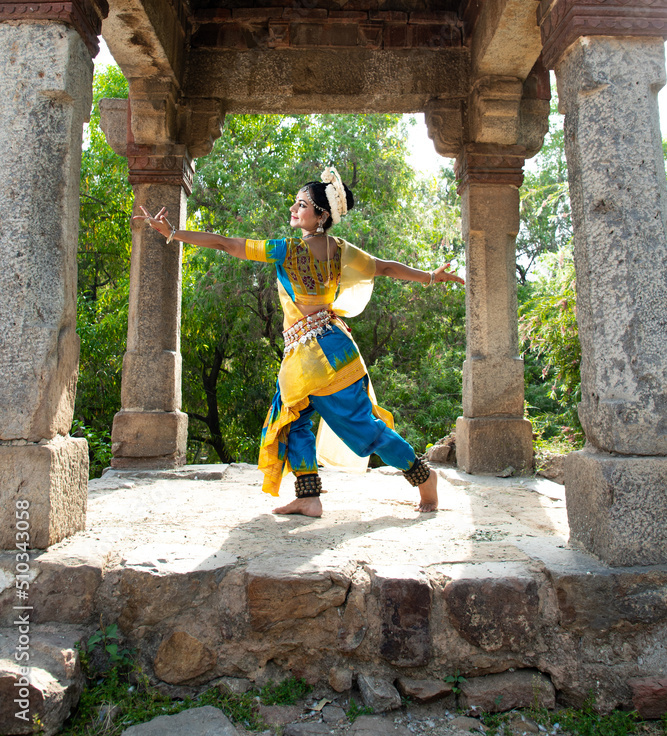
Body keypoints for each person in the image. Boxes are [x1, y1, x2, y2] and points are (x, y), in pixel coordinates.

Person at [135, 165, 464, 517]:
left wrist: (173, 233)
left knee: (360, 427)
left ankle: (423, 476)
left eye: (302, 204)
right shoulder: (340, 250)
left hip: (319, 357)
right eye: (295, 202)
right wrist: (430, 276)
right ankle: (309, 495)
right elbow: (384, 267)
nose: (293, 209)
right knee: (291, 419)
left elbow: (224, 243)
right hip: (321, 351)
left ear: (321, 215)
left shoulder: (286, 250)